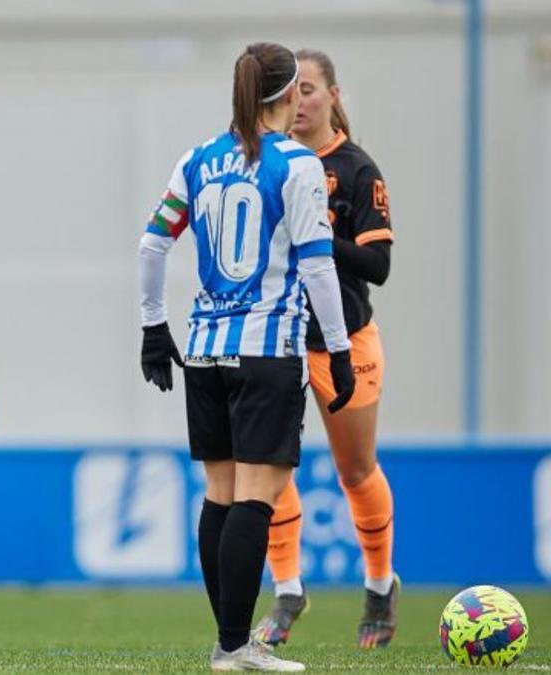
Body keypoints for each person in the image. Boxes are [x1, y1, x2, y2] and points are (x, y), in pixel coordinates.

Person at [139, 42, 356, 672]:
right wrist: (338, 350)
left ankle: (229, 641)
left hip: (204, 352)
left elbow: (152, 246)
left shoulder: (198, 158)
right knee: (257, 499)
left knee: (220, 497)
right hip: (267, 351)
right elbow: (317, 266)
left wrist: (154, 328)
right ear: (290, 96)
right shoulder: (298, 164)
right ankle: (234, 646)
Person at [253, 48, 399, 650]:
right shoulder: (267, 163)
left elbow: (379, 265)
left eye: (310, 88)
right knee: (269, 465)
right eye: (293, 90)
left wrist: (317, 238)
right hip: (278, 338)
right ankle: (288, 589)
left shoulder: (357, 169)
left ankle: (379, 584)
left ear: (333, 95)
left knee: (354, 468)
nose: (300, 100)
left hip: (346, 340)